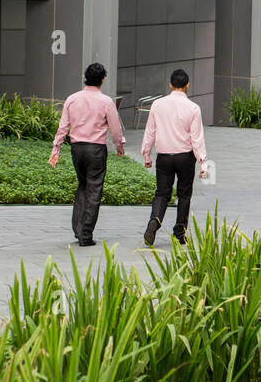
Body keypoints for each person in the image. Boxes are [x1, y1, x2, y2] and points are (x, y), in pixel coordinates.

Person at [48, 62, 126, 247]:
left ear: (85, 78)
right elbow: (115, 129)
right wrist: (119, 145)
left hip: (77, 149)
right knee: (94, 190)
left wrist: (56, 150)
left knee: (83, 186)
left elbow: (63, 126)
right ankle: (85, 234)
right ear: (102, 80)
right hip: (96, 149)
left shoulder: (72, 99)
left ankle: (78, 228)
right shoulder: (106, 101)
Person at [141, 68, 208, 247]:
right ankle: (180, 232)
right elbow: (197, 138)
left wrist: (146, 154)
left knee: (162, 194)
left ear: (170, 85)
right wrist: (203, 163)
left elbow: (150, 132)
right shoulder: (193, 108)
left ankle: (154, 221)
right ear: (187, 86)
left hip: (164, 157)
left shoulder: (157, 104)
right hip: (185, 157)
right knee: (184, 194)